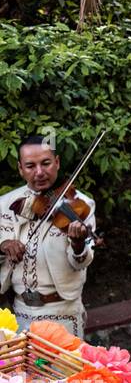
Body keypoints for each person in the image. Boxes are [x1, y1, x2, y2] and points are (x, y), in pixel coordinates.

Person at [0, 135, 95, 337]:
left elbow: (81, 262)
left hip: (62, 313)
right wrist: (4, 245)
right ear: (20, 168)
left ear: (57, 162)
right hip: (20, 312)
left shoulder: (79, 206)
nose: (40, 172)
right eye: (30, 166)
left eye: (46, 163)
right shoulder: (6, 204)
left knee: (65, 369)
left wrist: (78, 244)